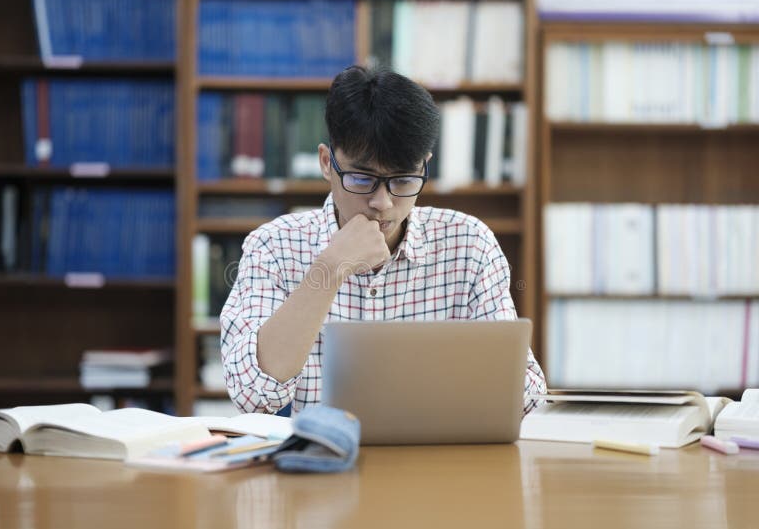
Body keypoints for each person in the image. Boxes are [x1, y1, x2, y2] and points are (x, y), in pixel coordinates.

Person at [220, 65, 546, 416]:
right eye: (362, 179)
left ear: (424, 166)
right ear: (327, 163)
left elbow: (527, 397)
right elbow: (252, 395)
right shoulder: (272, 247)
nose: (383, 202)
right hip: (316, 466)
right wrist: (330, 269)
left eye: (403, 180)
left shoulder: (469, 244)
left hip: (437, 465)